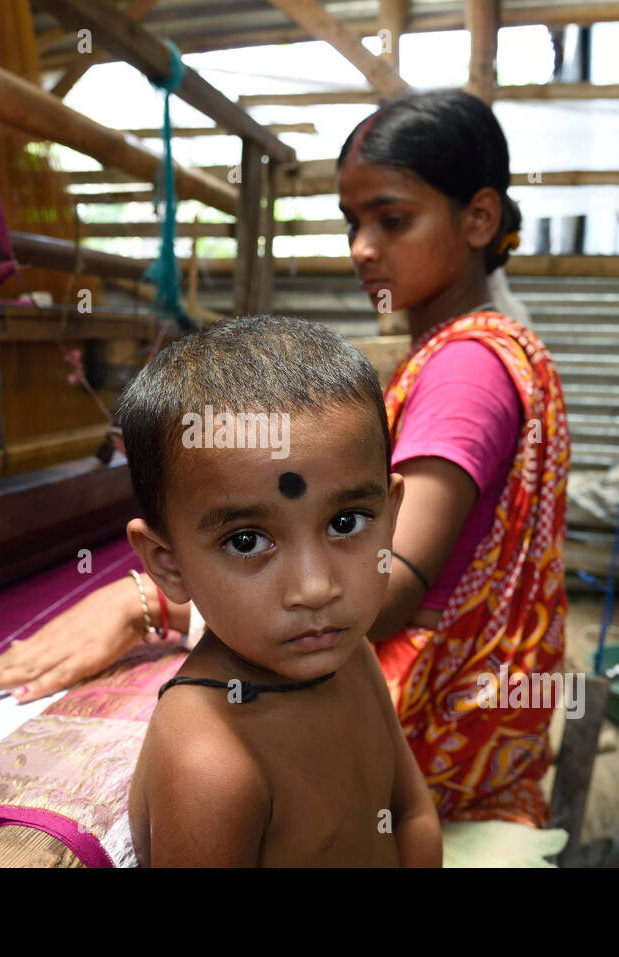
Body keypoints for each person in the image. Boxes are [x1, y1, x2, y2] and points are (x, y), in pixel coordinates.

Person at [0, 88, 569, 829]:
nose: (362, 247)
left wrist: (148, 602)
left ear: (479, 218)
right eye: (352, 222)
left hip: (439, 738)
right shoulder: (479, 349)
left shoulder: (466, 368)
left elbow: (390, 585)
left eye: (392, 219)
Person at [113, 315, 441, 866]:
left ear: (392, 514)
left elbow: (412, 815)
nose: (315, 589)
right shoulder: (210, 762)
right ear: (167, 566)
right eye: (246, 540)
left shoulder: (352, 656)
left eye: (346, 523)